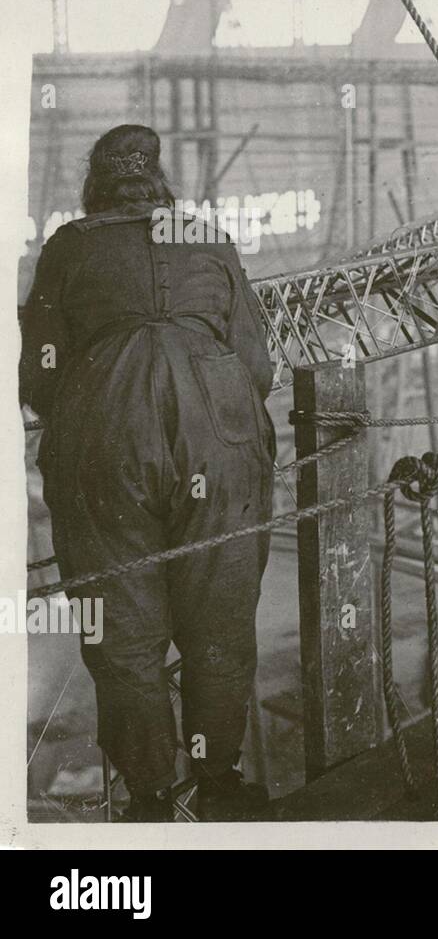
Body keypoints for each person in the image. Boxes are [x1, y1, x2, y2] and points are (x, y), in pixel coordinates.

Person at [19, 124, 275, 822]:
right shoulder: (208, 237)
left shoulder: (69, 247)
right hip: (219, 431)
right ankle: (219, 782)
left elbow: (37, 374)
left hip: (105, 438)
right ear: (159, 182)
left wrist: (96, 396)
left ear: (96, 185)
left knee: (123, 624)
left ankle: (150, 798)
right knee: (219, 612)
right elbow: (258, 362)